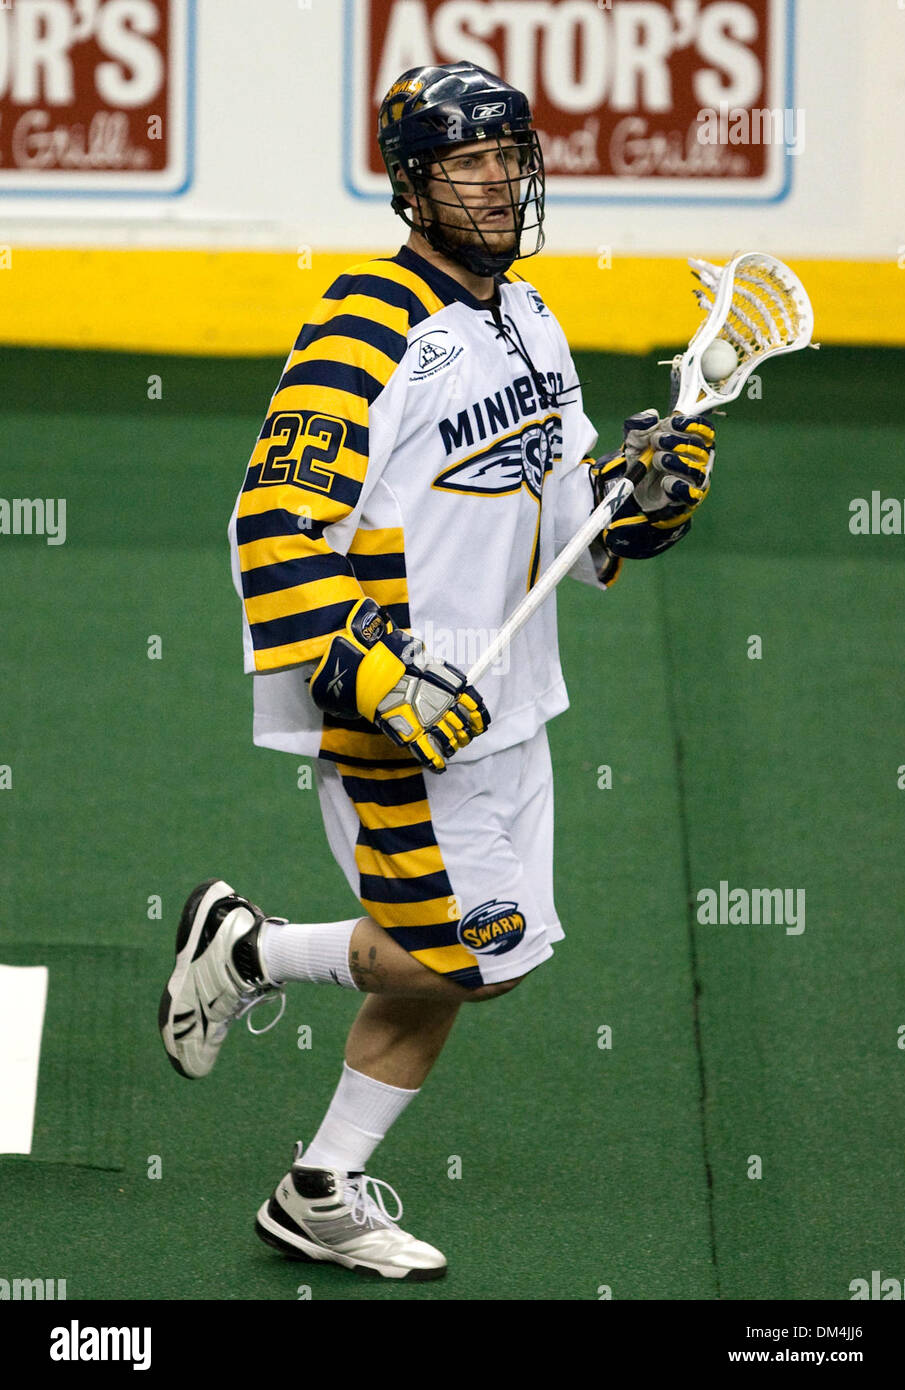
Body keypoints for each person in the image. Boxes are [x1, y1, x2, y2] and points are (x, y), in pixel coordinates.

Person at [158, 61, 715, 1282]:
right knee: (474, 953)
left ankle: (315, 1183)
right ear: (412, 185)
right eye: (468, 162)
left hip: (508, 707)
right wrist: (382, 679)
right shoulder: (363, 328)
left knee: (475, 966)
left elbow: (572, 529)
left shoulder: (530, 320)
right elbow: (271, 524)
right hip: (397, 717)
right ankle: (249, 954)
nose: (499, 180)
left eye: (510, 155)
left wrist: (641, 503)